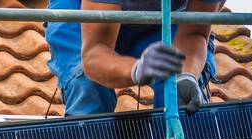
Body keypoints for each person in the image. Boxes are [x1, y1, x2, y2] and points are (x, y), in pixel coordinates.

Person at [45, 0, 224, 117]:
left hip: (166, 17)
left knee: (178, 92)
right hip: (84, 9)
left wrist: (186, 75)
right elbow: (95, 53)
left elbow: (194, 34)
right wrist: (137, 69)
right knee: (86, 84)